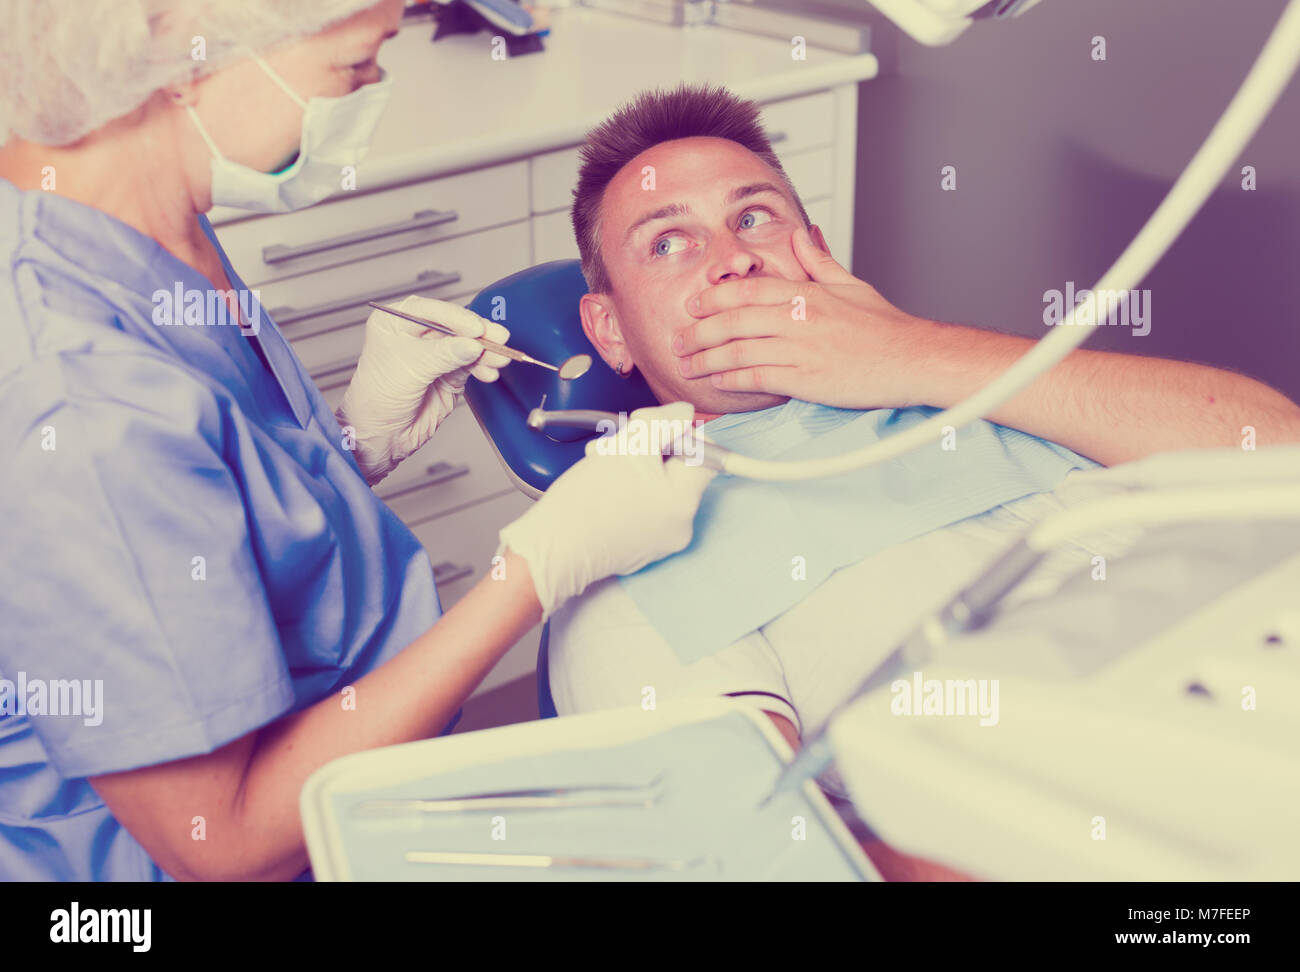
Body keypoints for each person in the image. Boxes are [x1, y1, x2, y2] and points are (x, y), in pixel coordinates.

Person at [0, 1, 714, 881]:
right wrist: (535, 568)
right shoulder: (72, 395)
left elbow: (200, 529)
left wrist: (348, 446)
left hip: (356, 785)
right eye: (353, 65)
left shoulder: (148, 212)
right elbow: (221, 843)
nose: (375, 90)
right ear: (185, 58)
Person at [549, 83, 1300, 749]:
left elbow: (1276, 451)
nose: (732, 259)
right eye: (669, 241)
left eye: (753, 217)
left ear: (818, 254)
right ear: (610, 330)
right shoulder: (624, 552)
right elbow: (760, 843)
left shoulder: (982, 390)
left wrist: (907, 351)